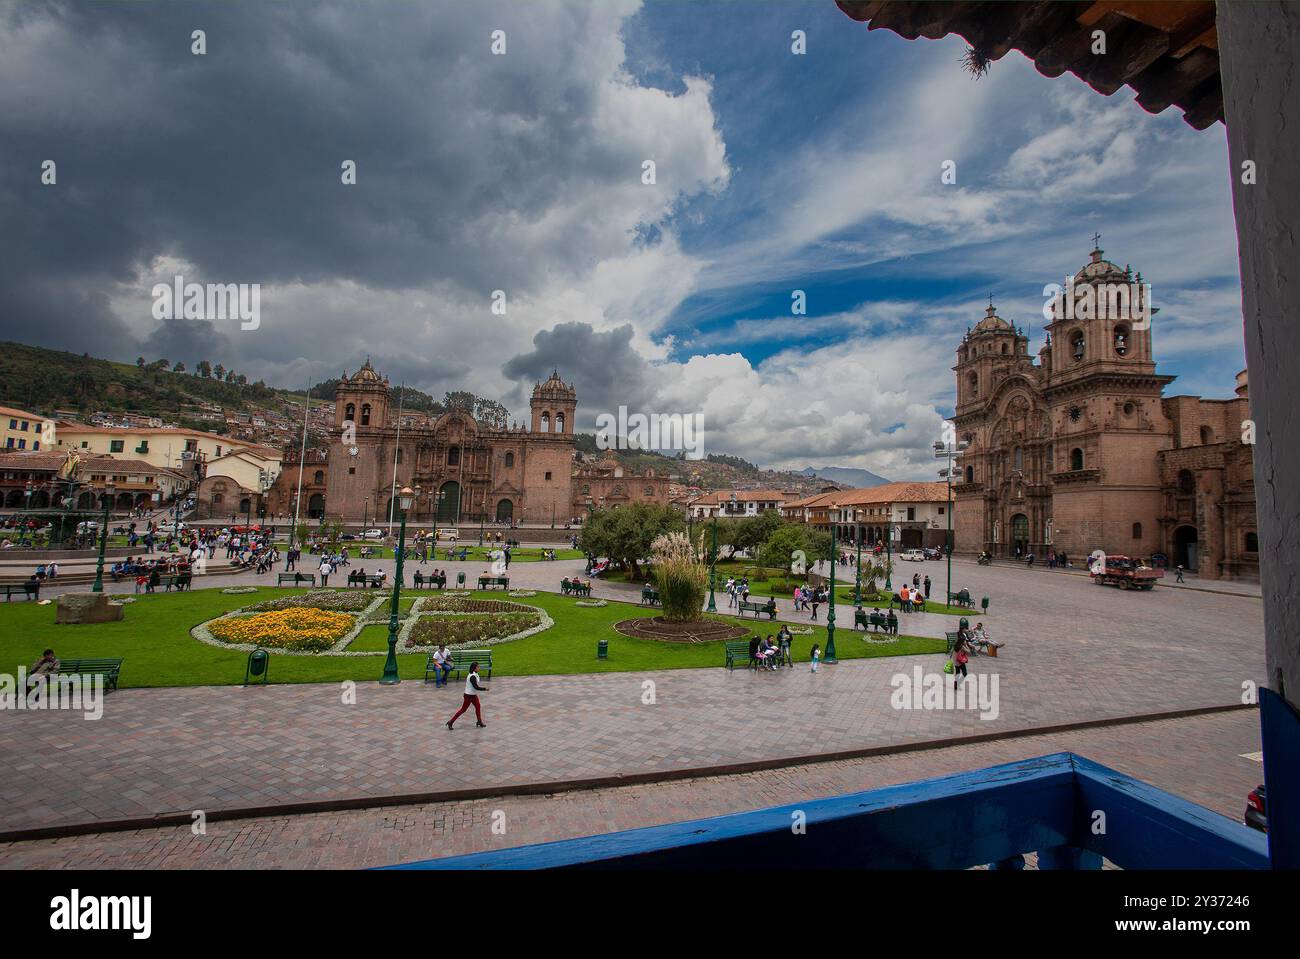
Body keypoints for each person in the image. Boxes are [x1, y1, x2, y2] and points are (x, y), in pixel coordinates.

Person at [446, 661, 488, 729]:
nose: (479, 668)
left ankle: (479, 721)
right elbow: (476, 687)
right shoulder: (472, 676)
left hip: (473, 695)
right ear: (474, 668)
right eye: (478, 667)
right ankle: (450, 722)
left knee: (478, 707)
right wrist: (485, 689)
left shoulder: (475, 674)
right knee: (463, 709)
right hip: (468, 696)